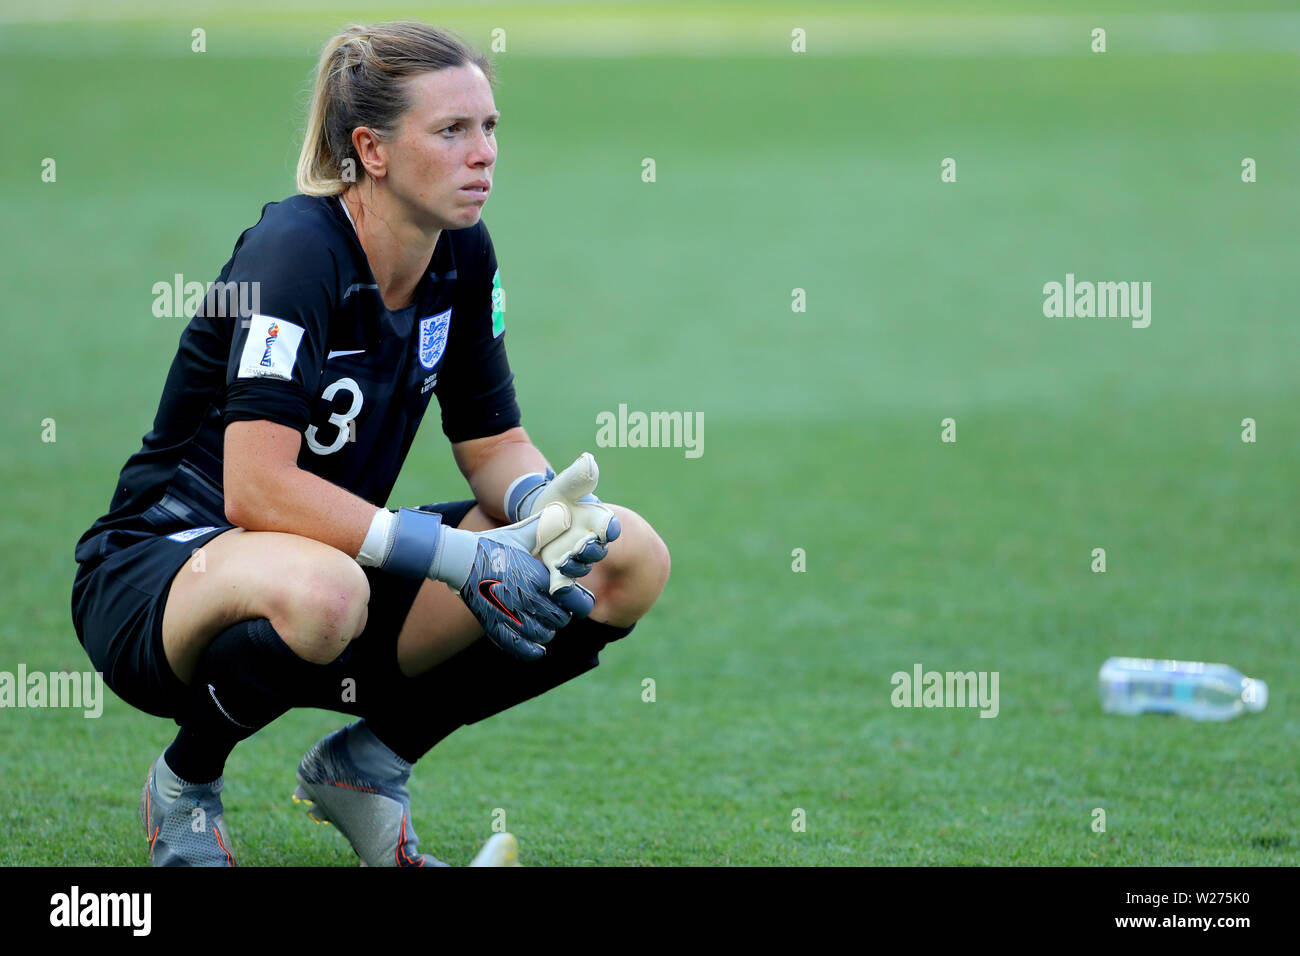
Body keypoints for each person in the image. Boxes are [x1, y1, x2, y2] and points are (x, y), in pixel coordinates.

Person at [70, 20, 670, 867]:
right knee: (328, 587)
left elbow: (493, 439)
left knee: (623, 555)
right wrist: (466, 561)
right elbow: (256, 491)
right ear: (372, 150)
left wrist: (545, 508)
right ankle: (184, 783)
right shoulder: (295, 251)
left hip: (336, 569)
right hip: (164, 573)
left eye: (490, 127)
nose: (483, 153)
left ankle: (368, 765)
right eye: (452, 130)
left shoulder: (462, 252)